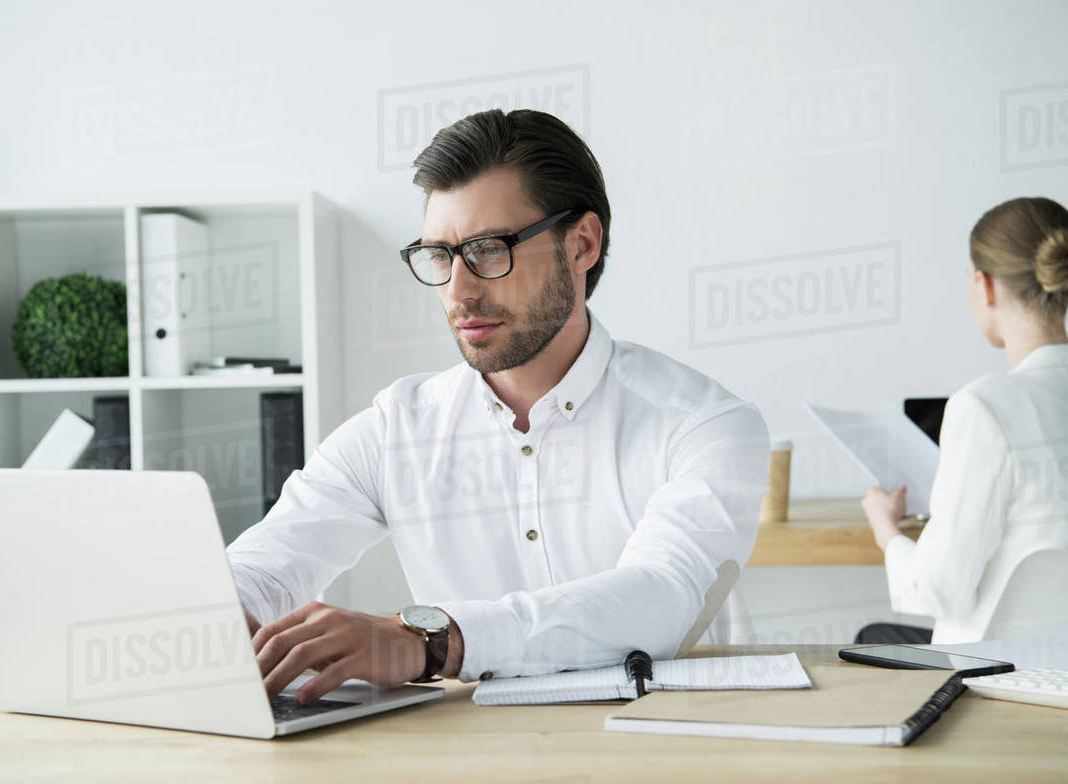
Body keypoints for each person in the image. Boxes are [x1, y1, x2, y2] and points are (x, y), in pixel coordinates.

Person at [226, 109, 770, 703]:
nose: (459, 289)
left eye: (488, 250)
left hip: (665, 763)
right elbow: (265, 566)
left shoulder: (704, 425)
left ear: (582, 244)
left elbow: (662, 596)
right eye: (440, 254)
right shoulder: (396, 430)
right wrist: (217, 612)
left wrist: (431, 640)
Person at [860, 197, 1068, 645]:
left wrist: (887, 531)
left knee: (869, 639)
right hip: (1057, 676)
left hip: (993, 678)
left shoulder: (984, 407)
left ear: (985, 286)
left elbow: (940, 590)